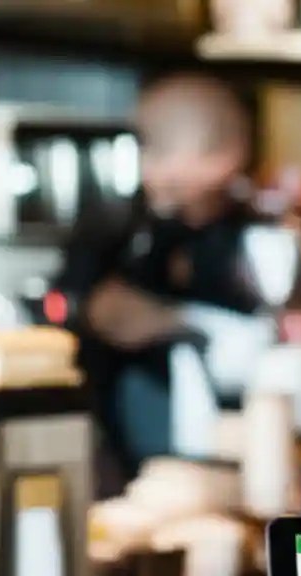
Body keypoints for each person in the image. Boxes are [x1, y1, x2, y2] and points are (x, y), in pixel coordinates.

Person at [48, 73, 262, 495]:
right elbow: (99, 311)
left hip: (231, 447)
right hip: (123, 453)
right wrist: (192, 326)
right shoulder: (119, 227)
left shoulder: (245, 229)